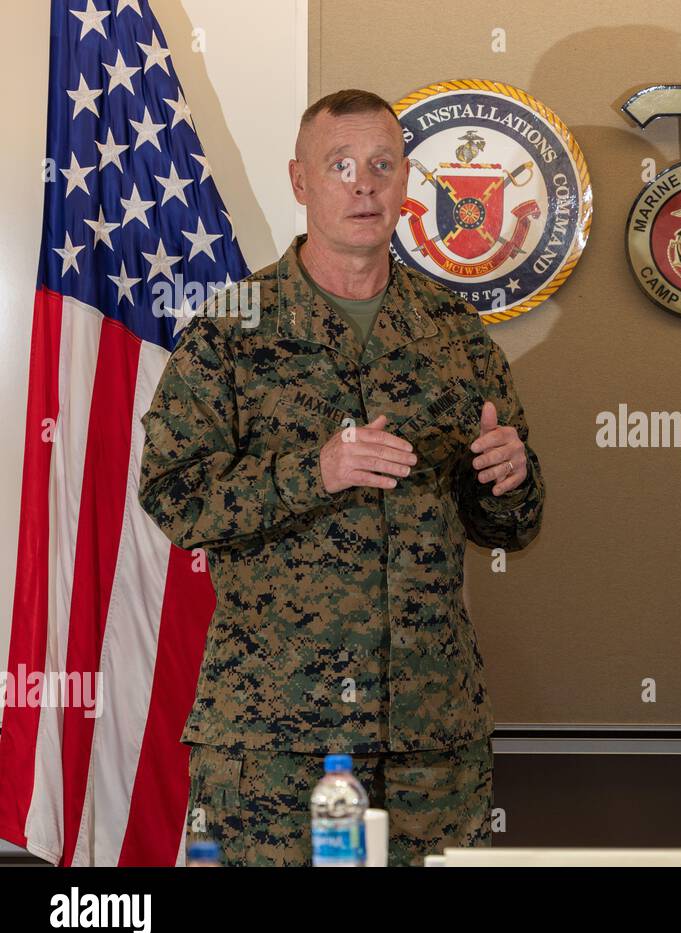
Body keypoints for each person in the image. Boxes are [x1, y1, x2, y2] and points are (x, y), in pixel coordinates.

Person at [138, 89, 545, 866]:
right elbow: (174, 495)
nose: (364, 185)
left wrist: (510, 477)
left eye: (383, 166)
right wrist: (313, 472)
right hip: (277, 733)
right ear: (300, 181)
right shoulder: (233, 330)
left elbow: (508, 527)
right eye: (342, 165)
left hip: (429, 732)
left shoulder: (452, 334)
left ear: (406, 186)